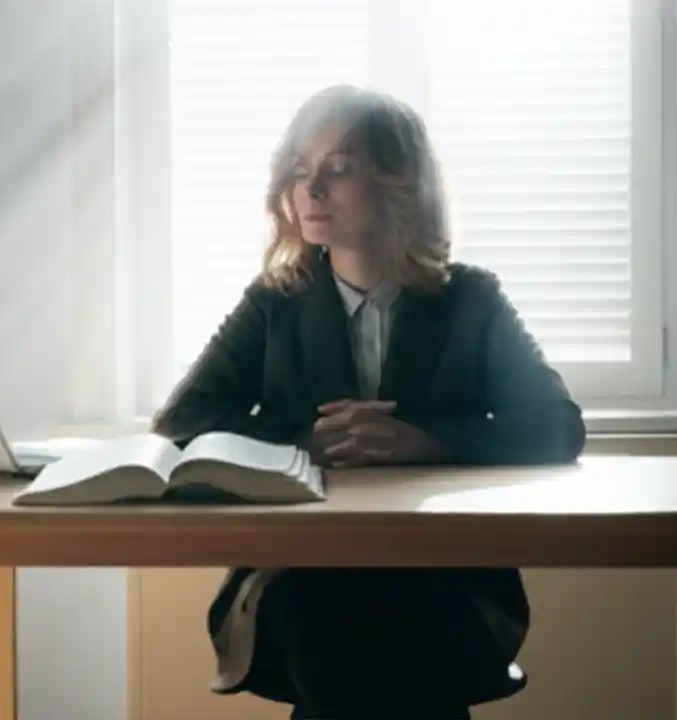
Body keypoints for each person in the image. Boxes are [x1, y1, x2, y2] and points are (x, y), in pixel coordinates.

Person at [153, 84, 585, 720]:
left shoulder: (470, 299)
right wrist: (305, 444)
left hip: (441, 575)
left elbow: (558, 427)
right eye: (301, 171)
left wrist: (426, 441)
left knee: (387, 625)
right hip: (298, 574)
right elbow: (180, 427)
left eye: (338, 168)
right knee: (332, 616)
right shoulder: (275, 301)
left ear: (399, 183)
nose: (312, 189)